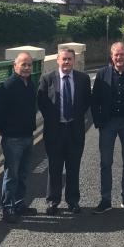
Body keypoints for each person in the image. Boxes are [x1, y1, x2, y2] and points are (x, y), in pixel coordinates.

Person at [91, 42, 124, 213]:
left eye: (122, 54)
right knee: (105, 162)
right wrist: (99, 121)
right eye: (116, 55)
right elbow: (95, 101)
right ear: (111, 56)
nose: (119, 58)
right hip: (107, 124)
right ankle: (105, 199)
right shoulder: (102, 74)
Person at [37, 47, 92, 215]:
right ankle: (53, 201)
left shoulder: (83, 79)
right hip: (55, 131)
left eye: (69, 59)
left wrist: (74, 117)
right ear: (58, 60)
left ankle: (73, 201)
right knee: (54, 167)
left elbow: (85, 103)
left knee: (73, 167)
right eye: (64, 59)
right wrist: (54, 119)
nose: (66, 62)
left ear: (74, 61)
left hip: (74, 130)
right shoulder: (47, 79)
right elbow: (42, 103)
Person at [0, 52, 38, 224]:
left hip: (27, 136)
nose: (27, 68)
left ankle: (19, 204)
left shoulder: (30, 83)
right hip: (13, 138)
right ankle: (8, 208)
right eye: (23, 64)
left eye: (29, 64)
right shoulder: (8, 86)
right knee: (11, 174)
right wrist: (6, 131)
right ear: (15, 65)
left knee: (23, 173)